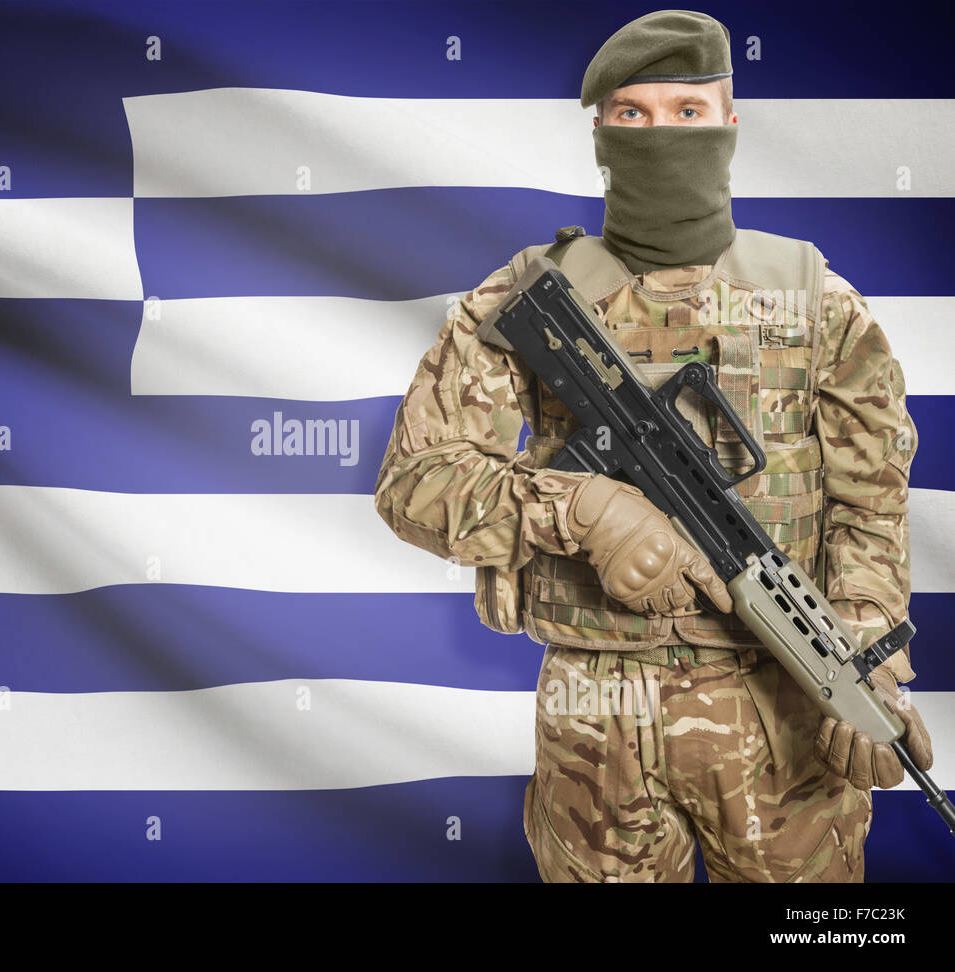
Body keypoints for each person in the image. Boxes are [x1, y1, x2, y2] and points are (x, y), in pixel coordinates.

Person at [373, 8, 933, 882]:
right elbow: (415, 479)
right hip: (595, 718)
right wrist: (585, 509)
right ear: (599, 130)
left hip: (781, 721)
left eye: (687, 111)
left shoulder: (818, 300)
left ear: (730, 124)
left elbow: (873, 507)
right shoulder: (531, 295)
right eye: (632, 114)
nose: (659, 134)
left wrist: (859, 667)